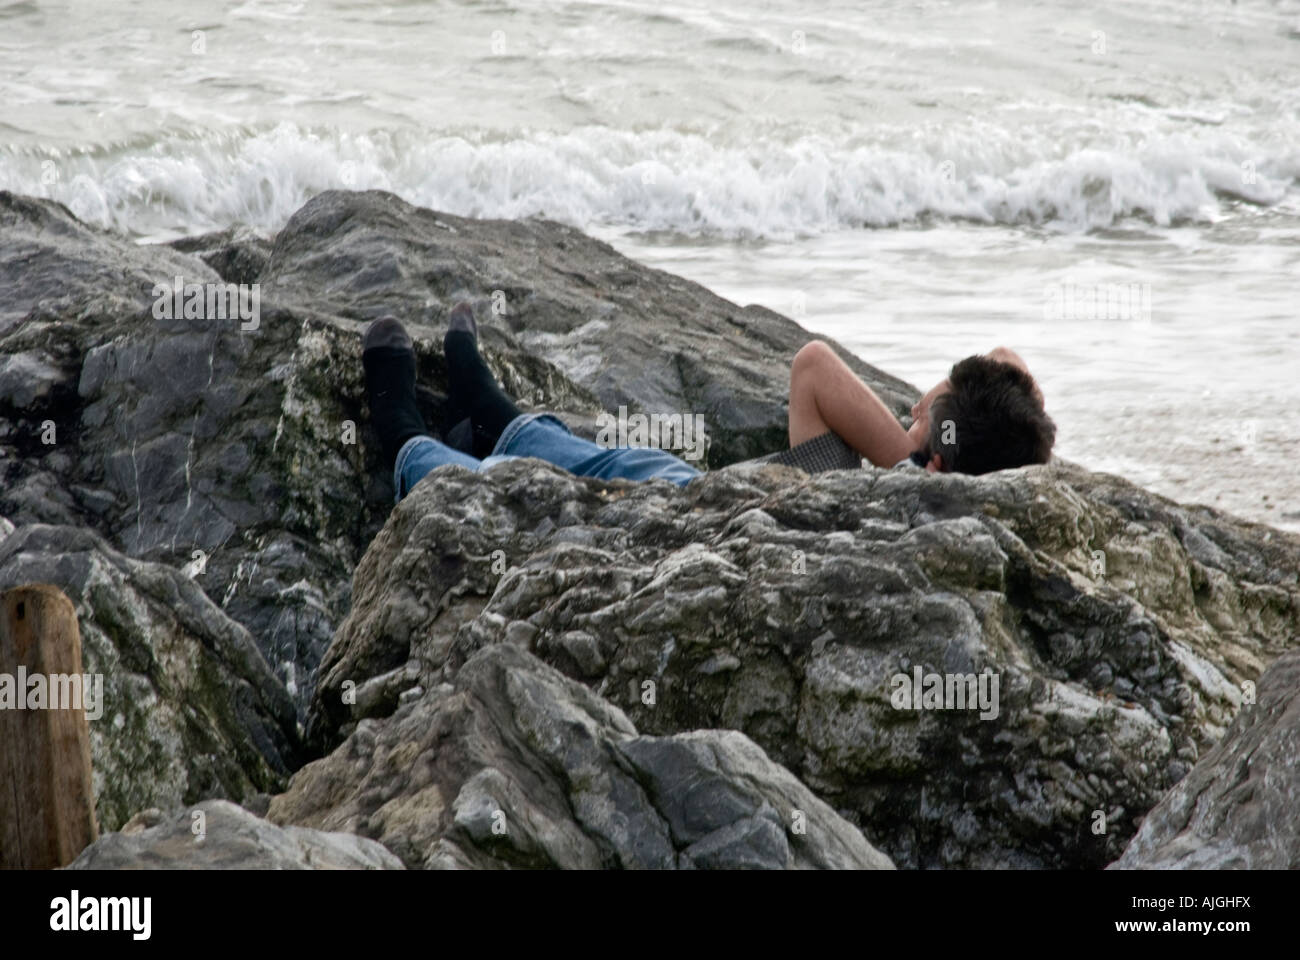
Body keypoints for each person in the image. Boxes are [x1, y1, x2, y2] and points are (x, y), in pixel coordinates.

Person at [362, 305, 1055, 501]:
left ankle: (404, 439)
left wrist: (913, 451)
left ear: (932, 464)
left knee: (519, 495)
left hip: (702, 526)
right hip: (726, 495)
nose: (905, 413)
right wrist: (935, 431)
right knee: (611, 459)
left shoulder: (899, 497)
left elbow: (812, 362)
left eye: (913, 418)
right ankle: (492, 415)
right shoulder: (973, 468)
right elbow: (1009, 362)